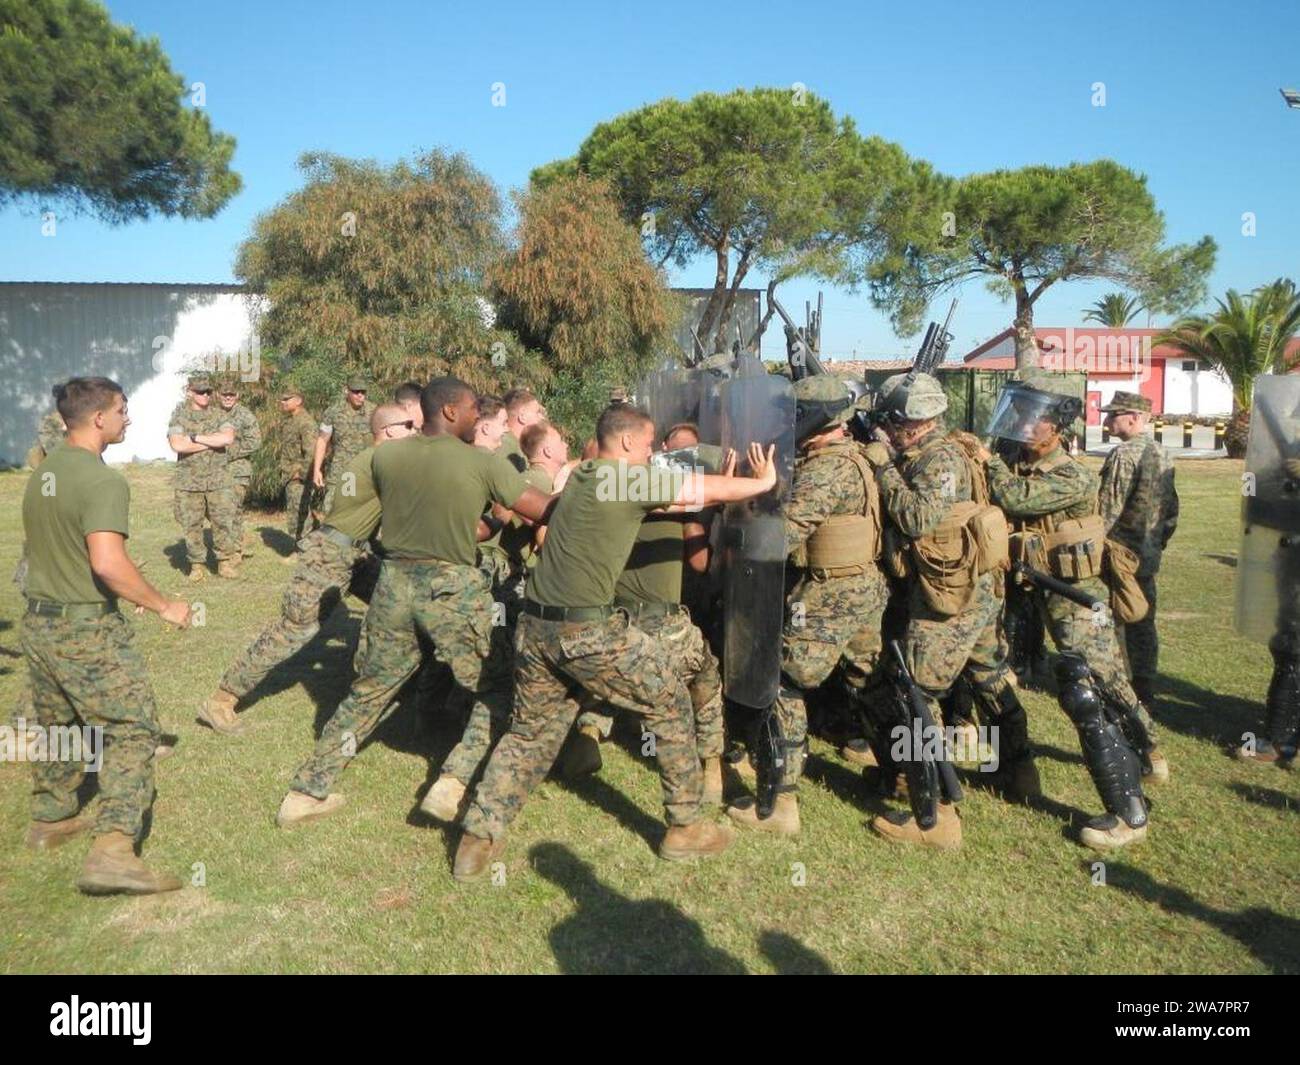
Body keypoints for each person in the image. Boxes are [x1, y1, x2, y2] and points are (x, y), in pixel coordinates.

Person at [453, 403, 777, 880]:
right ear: (626, 443)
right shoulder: (624, 479)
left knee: (528, 734)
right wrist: (762, 484)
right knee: (668, 697)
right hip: (584, 632)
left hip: (535, 628)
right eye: (647, 447)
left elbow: (671, 494)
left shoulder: (583, 476)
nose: (651, 455)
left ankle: (477, 840)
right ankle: (686, 827)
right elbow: (700, 488)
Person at [276, 377, 555, 827]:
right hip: (451, 587)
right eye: (469, 410)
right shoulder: (481, 462)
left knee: (368, 693)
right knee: (497, 685)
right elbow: (542, 509)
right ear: (448, 411)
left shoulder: (386, 456)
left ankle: (305, 793)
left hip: (392, 584)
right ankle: (453, 782)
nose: (475, 417)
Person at [21, 376, 191, 894]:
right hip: (85, 626)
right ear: (99, 418)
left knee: (62, 723)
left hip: (39, 622)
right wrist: (164, 604)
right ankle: (114, 849)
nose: (128, 418)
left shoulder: (44, 471)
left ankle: (50, 819)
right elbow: (107, 563)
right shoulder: (103, 480)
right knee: (132, 730)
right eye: (122, 409)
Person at [981, 377, 1165, 851]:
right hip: (1034, 586)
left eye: (1033, 417)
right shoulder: (1022, 461)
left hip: (1072, 590)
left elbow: (1017, 500)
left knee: (1099, 680)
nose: (1023, 424)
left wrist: (988, 464)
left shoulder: (1072, 474)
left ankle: (1146, 750)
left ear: (1056, 427)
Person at [861, 373, 1038, 850]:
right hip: (976, 588)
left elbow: (918, 518)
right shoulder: (950, 448)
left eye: (892, 423)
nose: (889, 430)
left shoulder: (938, 458)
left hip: (952, 596)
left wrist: (883, 467)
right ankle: (1017, 771)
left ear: (911, 423)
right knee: (988, 676)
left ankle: (933, 811)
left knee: (916, 693)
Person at [727, 375, 888, 838]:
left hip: (832, 594)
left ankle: (782, 804)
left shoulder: (826, 468)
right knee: (869, 682)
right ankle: (900, 776)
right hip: (863, 587)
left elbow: (786, 535)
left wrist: (743, 519)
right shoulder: (856, 455)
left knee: (783, 682)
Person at [198, 405, 418, 734]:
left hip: (357, 556)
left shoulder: (374, 458)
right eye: (410, 425)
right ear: (388, 431)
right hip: (330, 557)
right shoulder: (380, 460)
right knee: (293, 630)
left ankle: (405, 689)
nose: (415, 430)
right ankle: (221, 699)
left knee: (407, 607)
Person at [1098, 392, 1178, 705]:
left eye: (1113, 415)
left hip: (1118, 554)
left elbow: (1106, 510)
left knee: (1109, 618)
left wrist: (1092, 547)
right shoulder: (1163, 453)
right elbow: (1172, 510)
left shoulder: (1124, 454)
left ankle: (1115, 683)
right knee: (1143, 620)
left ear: (1133, 417)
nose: (1106, 421)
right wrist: (1157, 542)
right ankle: (1145, 686)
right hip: (1147, 554)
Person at [167, 372, 239, 582]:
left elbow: (227, 438)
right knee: (192, 524)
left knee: (222, 522)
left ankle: (224, 563)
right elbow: (177, 444)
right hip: (189, 481)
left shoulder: (219, 415)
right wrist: (211, 441)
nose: (205, 395)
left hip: (218, 480)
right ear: (190, 392)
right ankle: (197, 566)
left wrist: (195, 438)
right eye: (200, 392)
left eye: (208, 391)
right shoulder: (179, 416)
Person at [312, 373, 376, 515]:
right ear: (346, 391)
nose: (360, 395)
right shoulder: (333, 412)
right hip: (341, 471)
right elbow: (322, 440)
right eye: (356, 392)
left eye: (363, 392)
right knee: (333, 511)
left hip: (366, 471)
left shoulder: (374, 411)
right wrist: (317, 469)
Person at [216, 375, 263, 559]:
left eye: (231, 395)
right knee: (219, 510)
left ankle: (234, 551)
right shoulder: (213, 414)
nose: (228, 398)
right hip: (215, 471)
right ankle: (227, 547)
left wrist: (230, 453)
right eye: (224, 394)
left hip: (237, 471)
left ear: (237, 396)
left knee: (232, 509)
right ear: (218, 395)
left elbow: (255, 442)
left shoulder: (245, 415)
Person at [277, 384, 318, 556]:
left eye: (287, 399)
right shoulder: (292, 420)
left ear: (299, 400)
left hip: (299, 477)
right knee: (295, 512)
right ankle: (303, 547)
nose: (283, 402)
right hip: (289, 474)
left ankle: (304, 552)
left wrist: (301, 474)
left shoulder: (305, 422)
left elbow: (312, 451)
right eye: (282, 399)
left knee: (300, 514)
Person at [501, 388, 547, 472]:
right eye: (537, 412)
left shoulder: (508, 444)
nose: (541, 418)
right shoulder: (510, 451)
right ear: (522, 417)